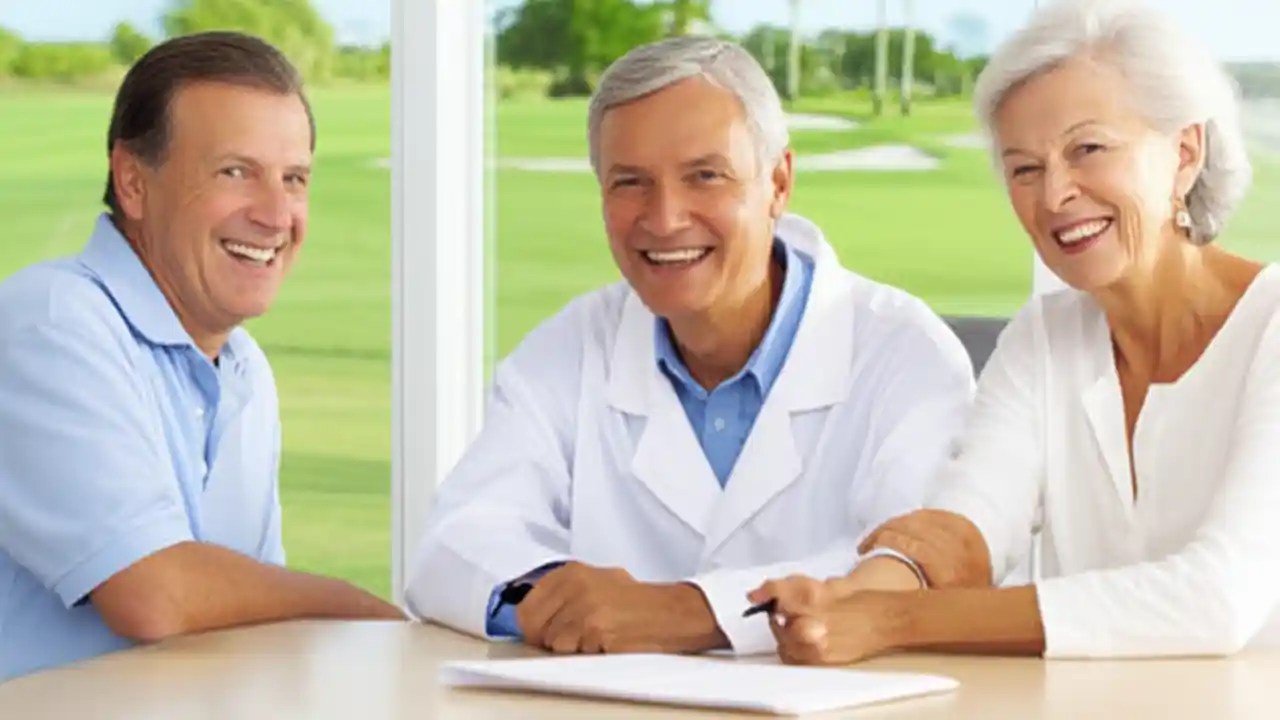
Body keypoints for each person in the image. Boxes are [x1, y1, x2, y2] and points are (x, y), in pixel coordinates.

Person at [405, 36, 974, 656]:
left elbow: (916, 565)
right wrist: (550, 599)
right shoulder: (568, 348)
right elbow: (453, 543)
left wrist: (690, 611)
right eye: (630, 182)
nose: (666, 217)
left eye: (705, 176)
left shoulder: (905, 353)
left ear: (778, 182)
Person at [753, 0, 1280, 665]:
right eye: (1024, 168)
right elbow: (968, 526)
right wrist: (845, 601)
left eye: (1088, 148)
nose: (1055, 195)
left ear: (1183, 153)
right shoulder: (1046, 335)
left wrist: (895, 618)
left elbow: (1218, 597)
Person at [0, 32, 403, 683]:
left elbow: (255, 610)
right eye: (235, 172)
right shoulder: (49, 324)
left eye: (294, 179)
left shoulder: (245, 371)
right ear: (133, 181)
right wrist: (364, 612)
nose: (277, 215)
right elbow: (154, 595)